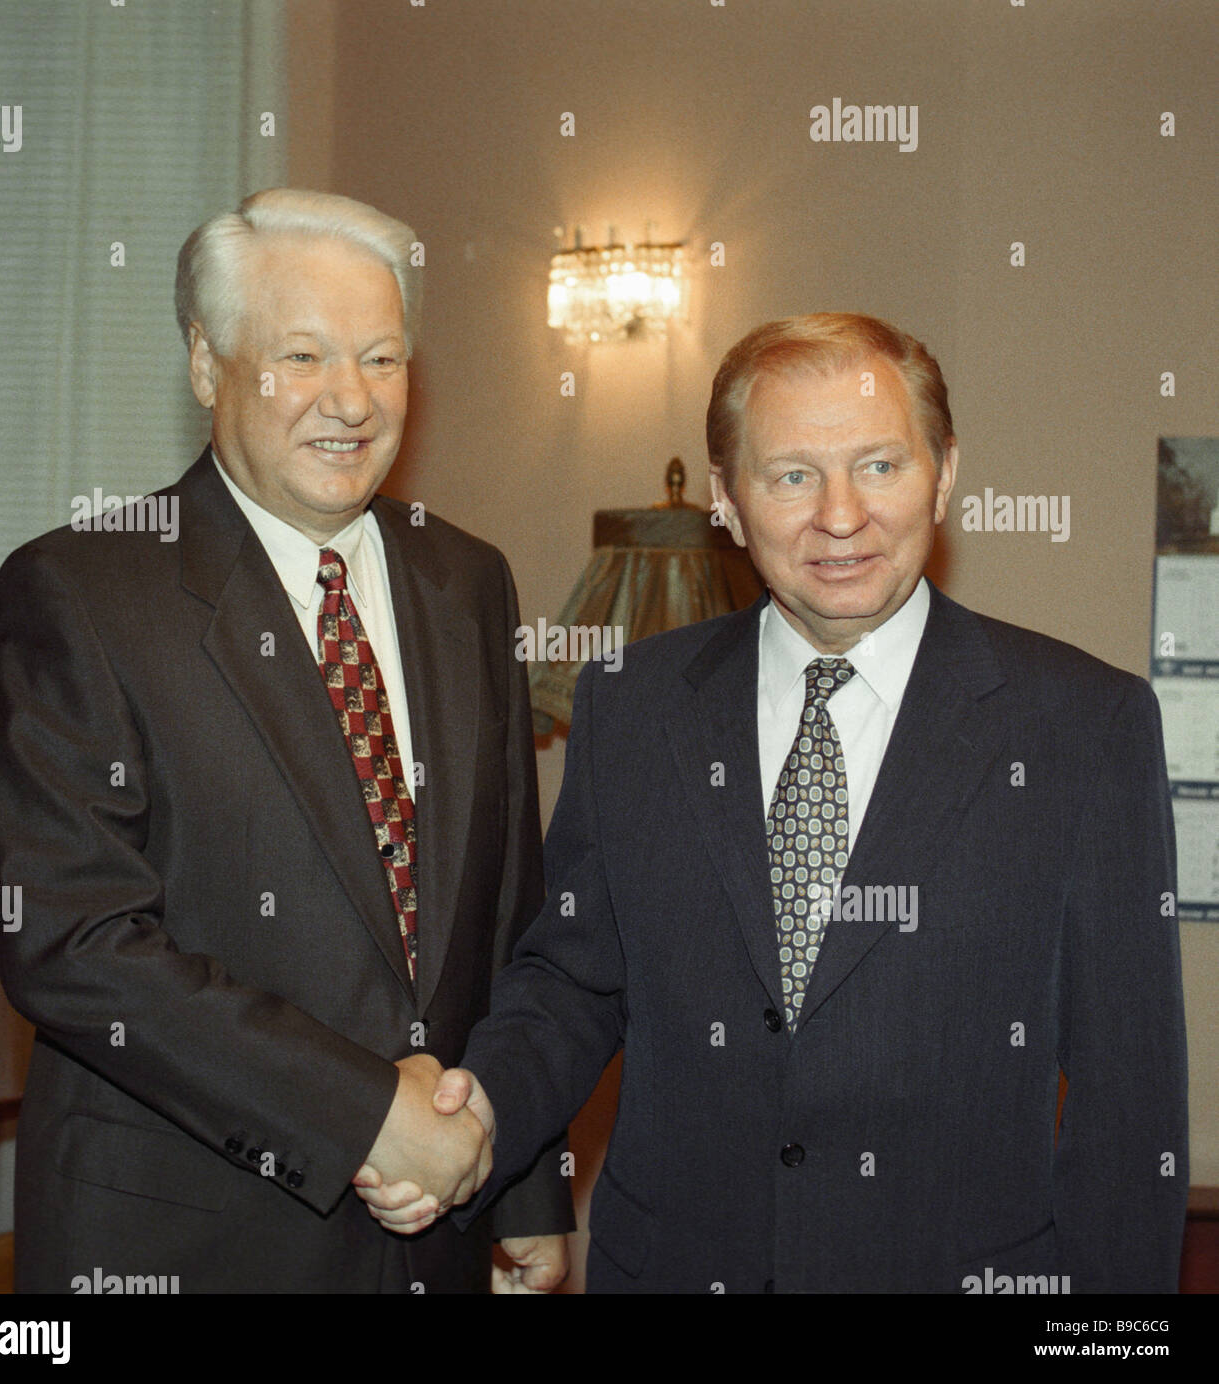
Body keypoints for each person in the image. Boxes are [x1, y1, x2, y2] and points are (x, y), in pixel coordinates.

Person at [356, 313, 1189, 1294]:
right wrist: (478, 1112)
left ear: (945, 473)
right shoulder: (632, 703)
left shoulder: (1082, 727)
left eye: (879, 465)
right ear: (724, 498)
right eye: (792, 474)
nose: (840, 516)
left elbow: (1128, 1104)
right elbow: (574, 980)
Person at [0, 188, 571, 1294]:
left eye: (383, 358)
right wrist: (365, 1116)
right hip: (187, 1244)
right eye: (301, 355)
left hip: (438, 1228)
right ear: (207, 364)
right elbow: (74, 943)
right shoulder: (81, 590)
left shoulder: (468, 579)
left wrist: (522, 1182)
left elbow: (506, 912)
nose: (350, 400)